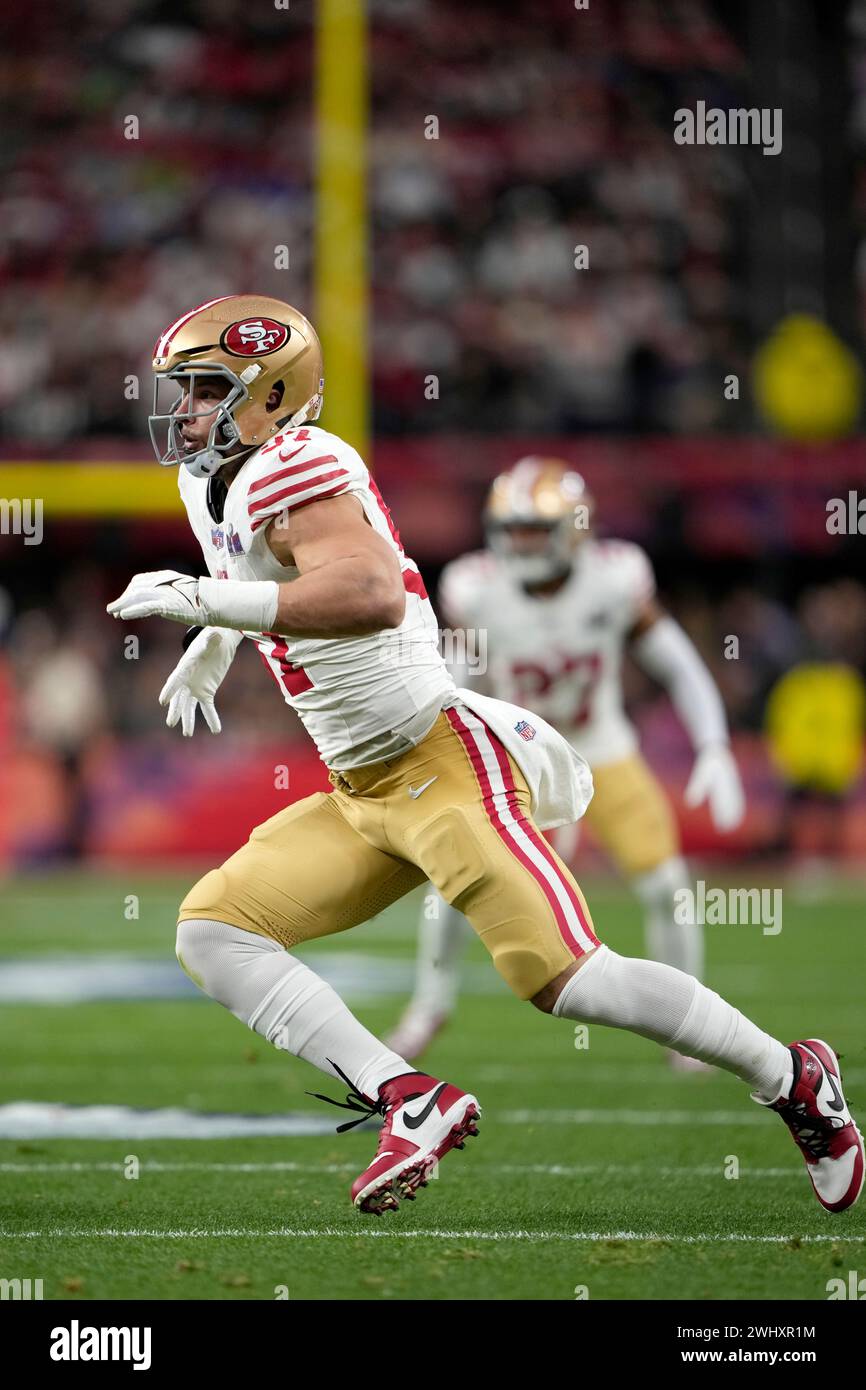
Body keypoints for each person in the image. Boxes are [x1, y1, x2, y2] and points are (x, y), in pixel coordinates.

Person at [108, 295, 863, 1216]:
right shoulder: (210, 479)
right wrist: (214, 640)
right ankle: (407, 1096)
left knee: (568, 980)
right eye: (182, 389)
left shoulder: (300, 461)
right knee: (213, 930)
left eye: (203, 389)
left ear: (269, 396)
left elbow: (371, 591)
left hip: (439, 762)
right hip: (360, 789)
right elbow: (253, 574)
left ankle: (793, 1078)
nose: (182, 410)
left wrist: (208, 609)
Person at [387, 457, 744, 1067]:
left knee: (667, 888)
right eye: (514, 528)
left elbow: (678, 663)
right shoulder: (477, 589)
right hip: (519, 754)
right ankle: (429, 1007)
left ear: (575, 529)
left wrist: (714, 744)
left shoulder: (615, 577)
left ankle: (689, 1033)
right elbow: (452, 685)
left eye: (536, 529)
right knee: (455, 882)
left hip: (600, 746)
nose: (523, 542)